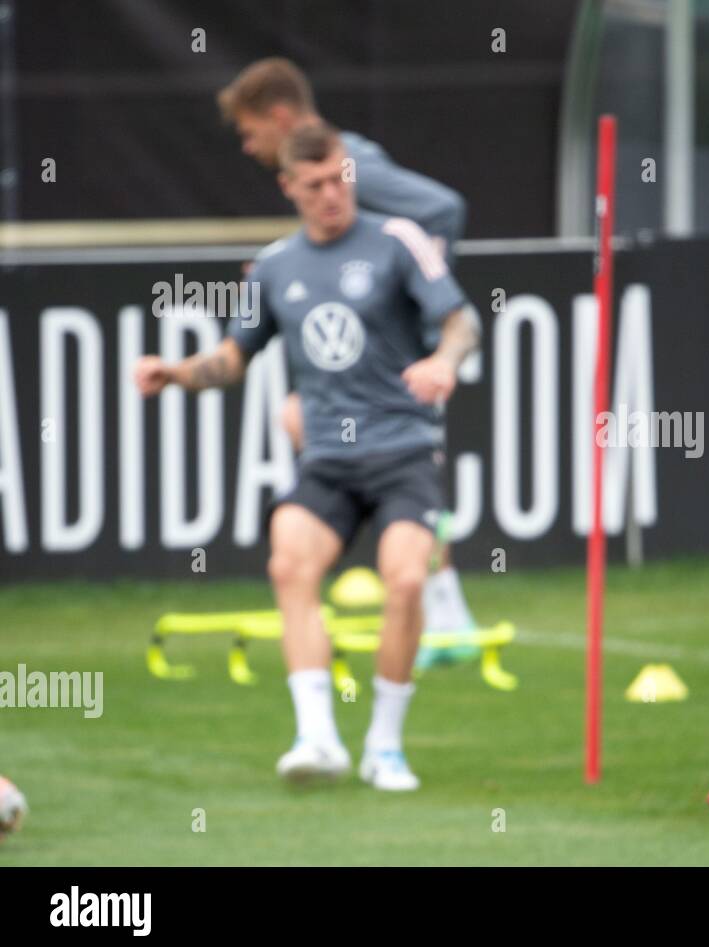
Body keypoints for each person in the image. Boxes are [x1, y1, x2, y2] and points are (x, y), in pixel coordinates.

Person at [135, 123, 480, 791]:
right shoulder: (273, 267)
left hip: (404, 448)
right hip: (328, 457)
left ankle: (384, 744)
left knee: (406, 579)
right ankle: (317, 737)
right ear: (289, 186)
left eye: (340, 178)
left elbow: (461, 320)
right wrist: (174, 374)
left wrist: (444, 359)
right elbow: (233, 358)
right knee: (288, 559)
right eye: (316, 184)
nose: (333, 194)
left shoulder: (398, 240)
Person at [217, 58, 477, 668]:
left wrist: (413, 295)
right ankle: (436, 603)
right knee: (314, 427)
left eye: (251, 132)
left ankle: (440, 606)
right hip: (371, 355)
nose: (249, 147)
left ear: (280, 117)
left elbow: (441, 210)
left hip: (395, 351)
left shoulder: (350, 162)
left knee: (337, 436)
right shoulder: (321, 170)